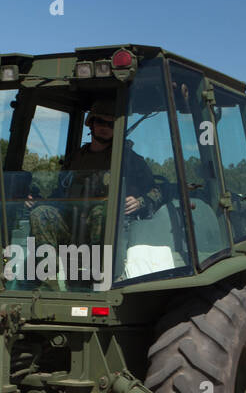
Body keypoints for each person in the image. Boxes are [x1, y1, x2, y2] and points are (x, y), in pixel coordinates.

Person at [26, 98, 161, 285]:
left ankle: (97, 279)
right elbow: (60, 192)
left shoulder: (129, 160)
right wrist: (38, 201)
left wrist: (141, 201)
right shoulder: (76, 159)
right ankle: (49, 282)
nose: (105, 127)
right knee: (41, 214)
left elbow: (157, 190)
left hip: (108, 229)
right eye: (100, 122)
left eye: (110, 123)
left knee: (100, 212)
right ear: (91, 123)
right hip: (72, 223)